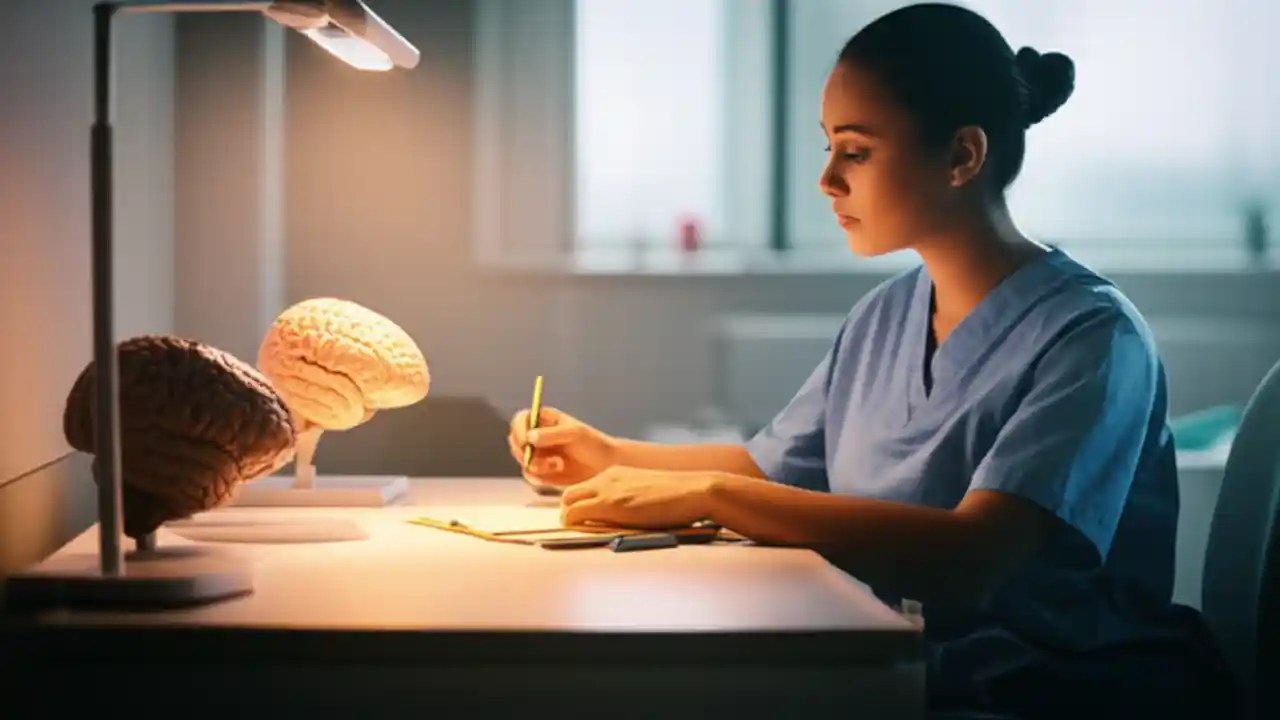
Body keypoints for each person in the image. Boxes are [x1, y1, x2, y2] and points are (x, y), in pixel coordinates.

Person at [506, 3, 1236, 717]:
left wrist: (712, 497)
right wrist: (606, 454)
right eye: (828, 147)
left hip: (1053, 688)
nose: (827, 180)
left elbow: (974, 557)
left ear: (962, 155)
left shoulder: (1093, 336)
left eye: (855, 152)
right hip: (906, 660)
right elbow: (770, 470)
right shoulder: (885, 315)